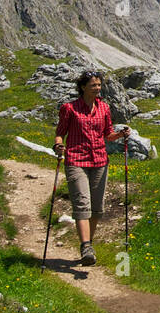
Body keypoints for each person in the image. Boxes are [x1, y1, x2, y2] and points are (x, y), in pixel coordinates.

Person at [53, 70, 130, 266]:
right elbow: (60, 132)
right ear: (82, 87)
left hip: (99, 161)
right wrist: (58, 145)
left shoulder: (104, 108)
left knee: (97, 209)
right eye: (93, 85)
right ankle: (85, 246)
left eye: (98, 85)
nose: (97, 88)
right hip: (76, 160)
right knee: (82, 204)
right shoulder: (69, 108)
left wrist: (121, 135)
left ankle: (89, 244)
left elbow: (108, 135)